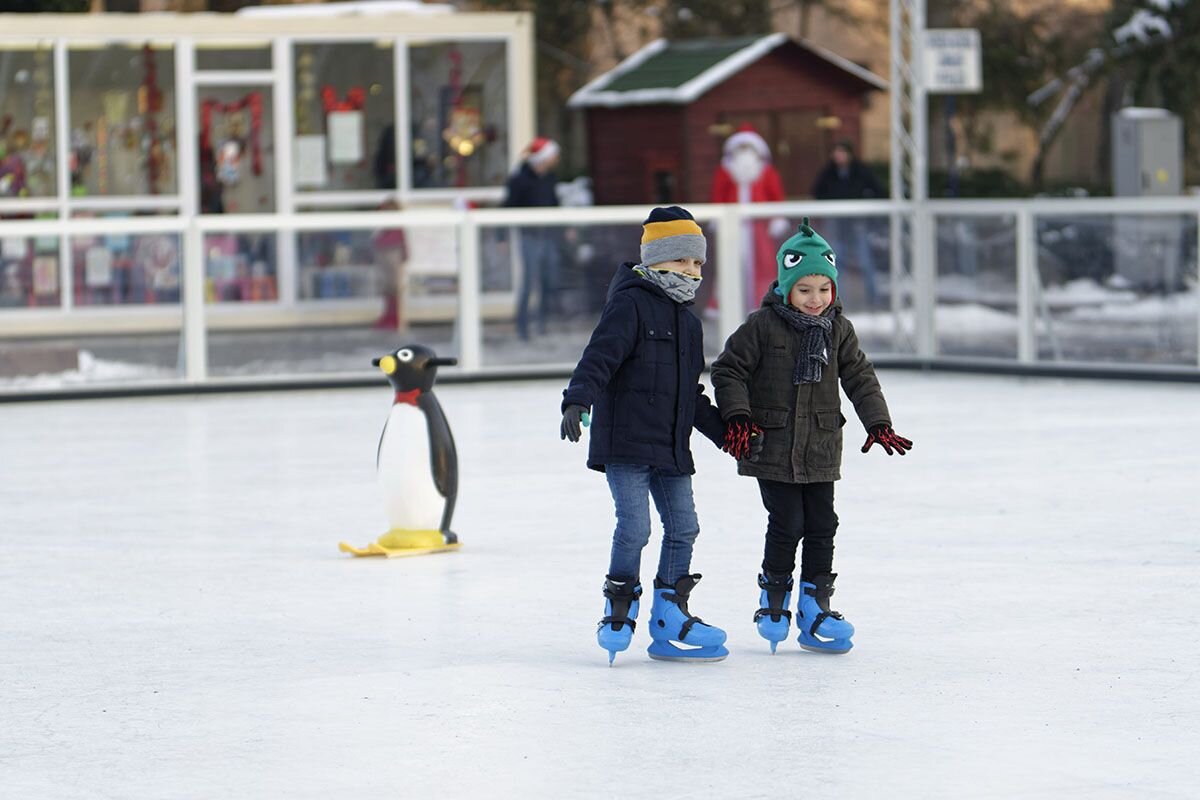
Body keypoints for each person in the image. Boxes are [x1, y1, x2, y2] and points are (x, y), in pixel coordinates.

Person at [559, 206, 753, 666]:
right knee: (636, 527)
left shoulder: (688, 322)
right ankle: (619, 605)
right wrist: (577, 399)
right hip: (626, 443)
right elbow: (599, 357)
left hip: (670, 448)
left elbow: (691, 395)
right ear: (657, 258)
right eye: (684, 260)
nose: (693, 271)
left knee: (685, 527)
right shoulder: (629, 303)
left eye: (699, 263)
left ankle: (670, 614)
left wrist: (727, 434)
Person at [711, 217, 912, 655]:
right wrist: (739, 418)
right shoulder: (762, 325)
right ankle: (774, 598)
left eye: (824, 289)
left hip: (820, 443)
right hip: (772, 444)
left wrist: (877, 422)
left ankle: (815, 604)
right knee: (788, 523)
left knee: (823, 523)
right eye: (805, 289)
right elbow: (728, 369)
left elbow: (860, 376)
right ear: (786, 287)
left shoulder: (839, 329)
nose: (815, 299)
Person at [710, 124, 789, 311]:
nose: (745, 152)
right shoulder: (725, 170)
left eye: (748, 148)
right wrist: (717, 217)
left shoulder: (767, 171)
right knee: (730, 262)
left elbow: (775, 195)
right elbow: (718, 195)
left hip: (759, 225)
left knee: (763, 264)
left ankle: (764, 301)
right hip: (732, 225)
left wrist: (777, 217)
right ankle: (726, 304)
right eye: (741, 148)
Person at [811, 140, 885, 307]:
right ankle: (836, 299)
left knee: (865, 259)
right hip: (836, 224)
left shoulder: (861, 171)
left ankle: (873, 298)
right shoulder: (828, 173)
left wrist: (866, 207)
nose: (838, 156)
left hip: (858, 223)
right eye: (836, 152)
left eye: (842, 152)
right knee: (835, 261)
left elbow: (878, 191)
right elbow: (818, 193)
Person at [504, 137, 561, 340]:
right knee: (529, 281)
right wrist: (501, 236)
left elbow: (555, 203)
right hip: (529, 235)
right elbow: (508, 206)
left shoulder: (549, 178)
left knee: (549, 278)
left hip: (548, 235)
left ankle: (542, 322)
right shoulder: (520, 179)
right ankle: (522, 326)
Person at [372, 197, 409, 331]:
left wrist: (405, 255)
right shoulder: (383, 229)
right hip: (385, 255)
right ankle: (388, 315)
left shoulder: (396, 228)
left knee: (394, 288)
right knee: (386, 288)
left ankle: (394, 317)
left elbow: (402, 243)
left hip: (393, 256)